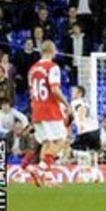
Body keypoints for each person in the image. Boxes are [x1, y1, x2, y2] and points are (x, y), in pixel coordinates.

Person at [23, 41, 71, 187]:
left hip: (36, 108)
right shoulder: (52, 67)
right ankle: (41, 168)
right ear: (53, 51)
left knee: (46, 142)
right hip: (50, 109)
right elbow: (55, 90)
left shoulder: (32, 69)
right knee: (62, 140)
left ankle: (48, 177)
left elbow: (31, 91)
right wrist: (66, 104)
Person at [70, 85, 101, 183]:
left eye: (73, 91)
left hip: (85, 130)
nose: (71, 93)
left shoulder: (76, 102)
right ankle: (95, 175)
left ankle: (87, 160)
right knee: (94, 152)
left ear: (79, 93)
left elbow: (81, 109)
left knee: (73, 150)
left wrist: (81, 121)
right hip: (95, 129)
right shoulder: (86, 102)